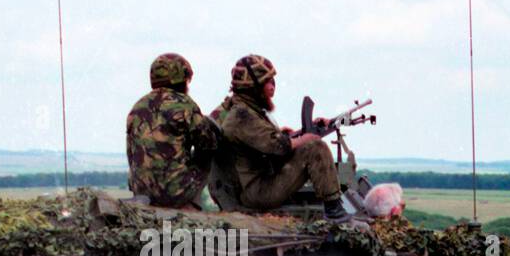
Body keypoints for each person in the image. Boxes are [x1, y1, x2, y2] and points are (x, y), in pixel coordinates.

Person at [209, 54, 349, 221]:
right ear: (254, 87)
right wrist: (307, 138)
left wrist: (294, 135)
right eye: (268, 81)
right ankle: (335, 212)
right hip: (256, 191)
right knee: (315, 148)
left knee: (309, 142)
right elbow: (279, 147)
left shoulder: (243, 109)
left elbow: (263, 140)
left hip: (254, 184)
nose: (273, 86)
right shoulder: (241, 115)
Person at [125, 53, 220, 208]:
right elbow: (208, 142)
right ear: (181, 78)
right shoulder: (184, 104)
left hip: (142, 193)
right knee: (207, 152)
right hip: (175, 193)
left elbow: (131, 154)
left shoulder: (137, 108)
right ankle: (192, 205)